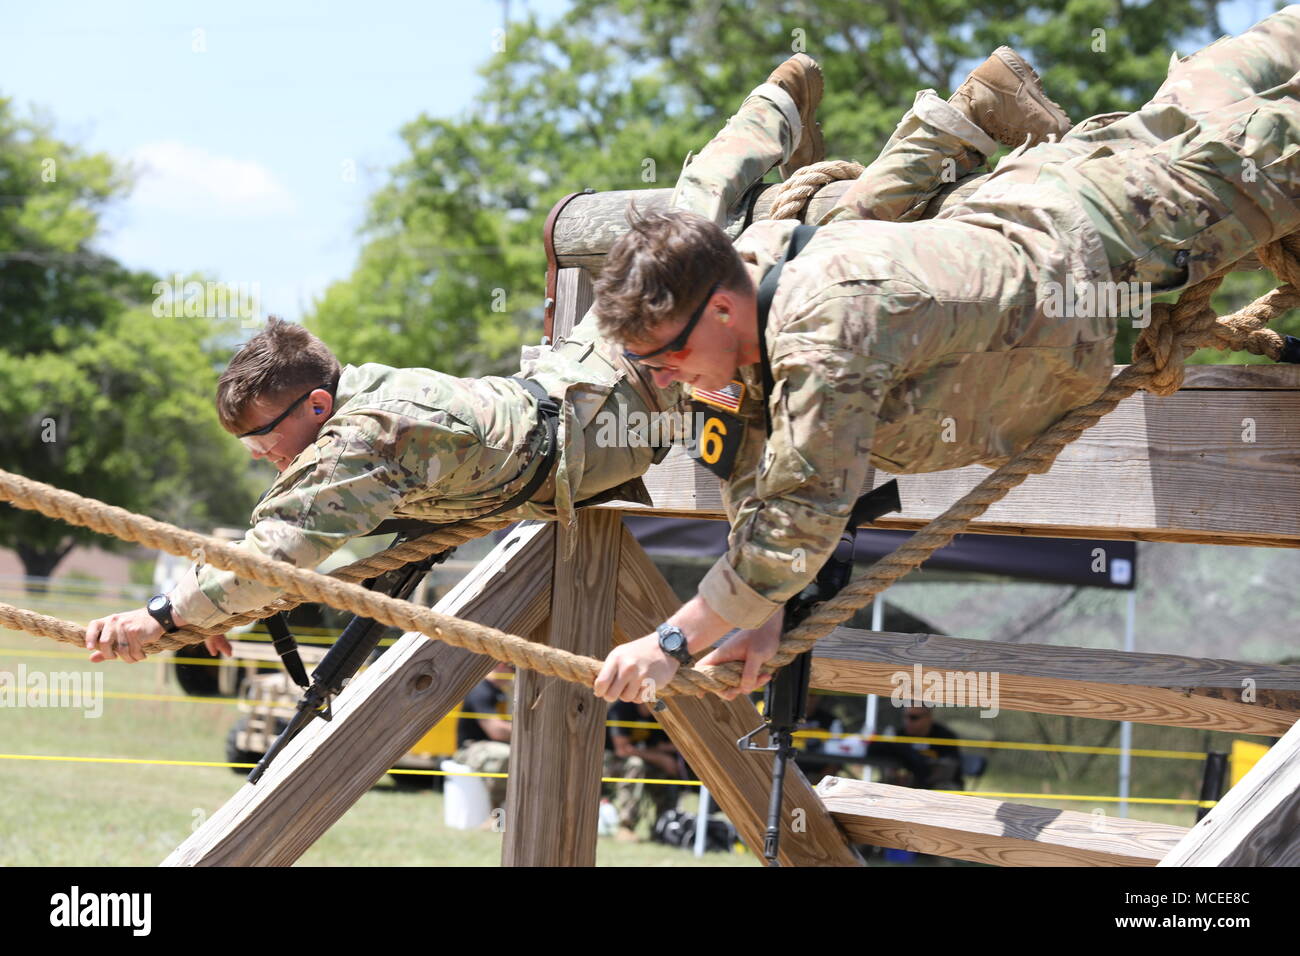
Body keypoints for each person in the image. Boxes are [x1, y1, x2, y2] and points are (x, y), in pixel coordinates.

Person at [83, 46, 1063, 664]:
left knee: (727, 237)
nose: (263, 454)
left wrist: (161, 618)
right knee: (705, 217)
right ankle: (894, 113)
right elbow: (284, 555)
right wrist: (224, 609)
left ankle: (930, 118)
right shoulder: (360, 431)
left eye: (265, 434)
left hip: (601, 409)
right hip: (575, 397)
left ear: (310, 404)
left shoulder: (360, 433)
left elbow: (279, 548)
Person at [591, 7, 1300, 704]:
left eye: (666, 357)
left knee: (1279, 114)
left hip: (1126, 219)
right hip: (1051, 193)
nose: (663, 379)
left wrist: (672, 642)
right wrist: (757, 612)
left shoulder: (825, 322)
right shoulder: (747, 279)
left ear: (718, 308)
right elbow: (753, 460)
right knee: (1256, 61)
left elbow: (798, 520)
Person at [602, 699, 684, 840]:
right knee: (636, 764)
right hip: (610, 762)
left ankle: (663, 826)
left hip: (643, 760)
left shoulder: (658, 713)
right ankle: (625, 826)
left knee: (664, 772)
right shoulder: (622, 709)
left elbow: (662, 745)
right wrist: (660, 758)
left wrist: (664, 757)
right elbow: (622, 750)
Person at [453, 667, 514, 811]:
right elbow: (496, 731)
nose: (513, 673)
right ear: (500, 664)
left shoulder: (498, 692)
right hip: (469, 749)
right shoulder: (481, 691)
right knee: (505, 755)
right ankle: (497, 811)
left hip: (488, 746)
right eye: (511, 668)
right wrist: (528, 732)